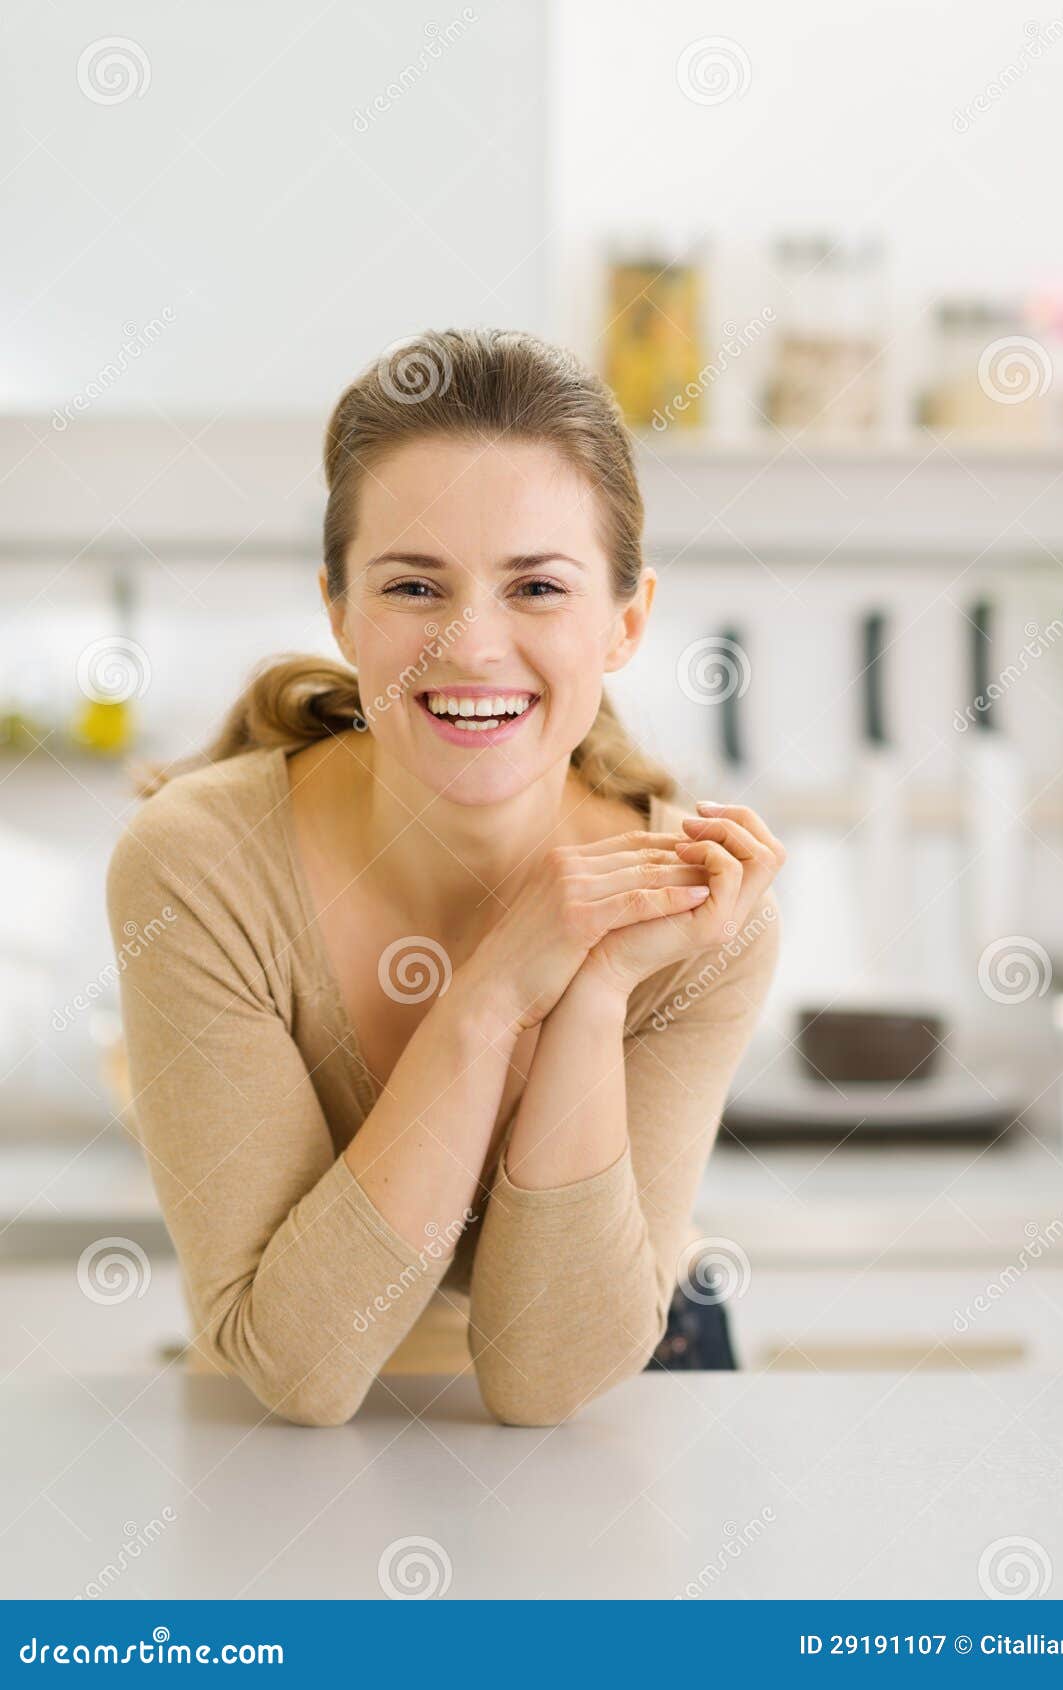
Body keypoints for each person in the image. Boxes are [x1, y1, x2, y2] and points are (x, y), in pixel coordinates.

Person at [105, 327, 784, 1429]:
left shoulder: (698, 913)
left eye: (536, 588)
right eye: (415, 585)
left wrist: (594, 992)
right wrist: (491, 992)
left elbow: (545, 1379)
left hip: (615, 1401)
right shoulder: (201, 866)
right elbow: (299, 1368)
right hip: (290, 1450)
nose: (470, 647)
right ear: (339, 610)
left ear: (625, 622)